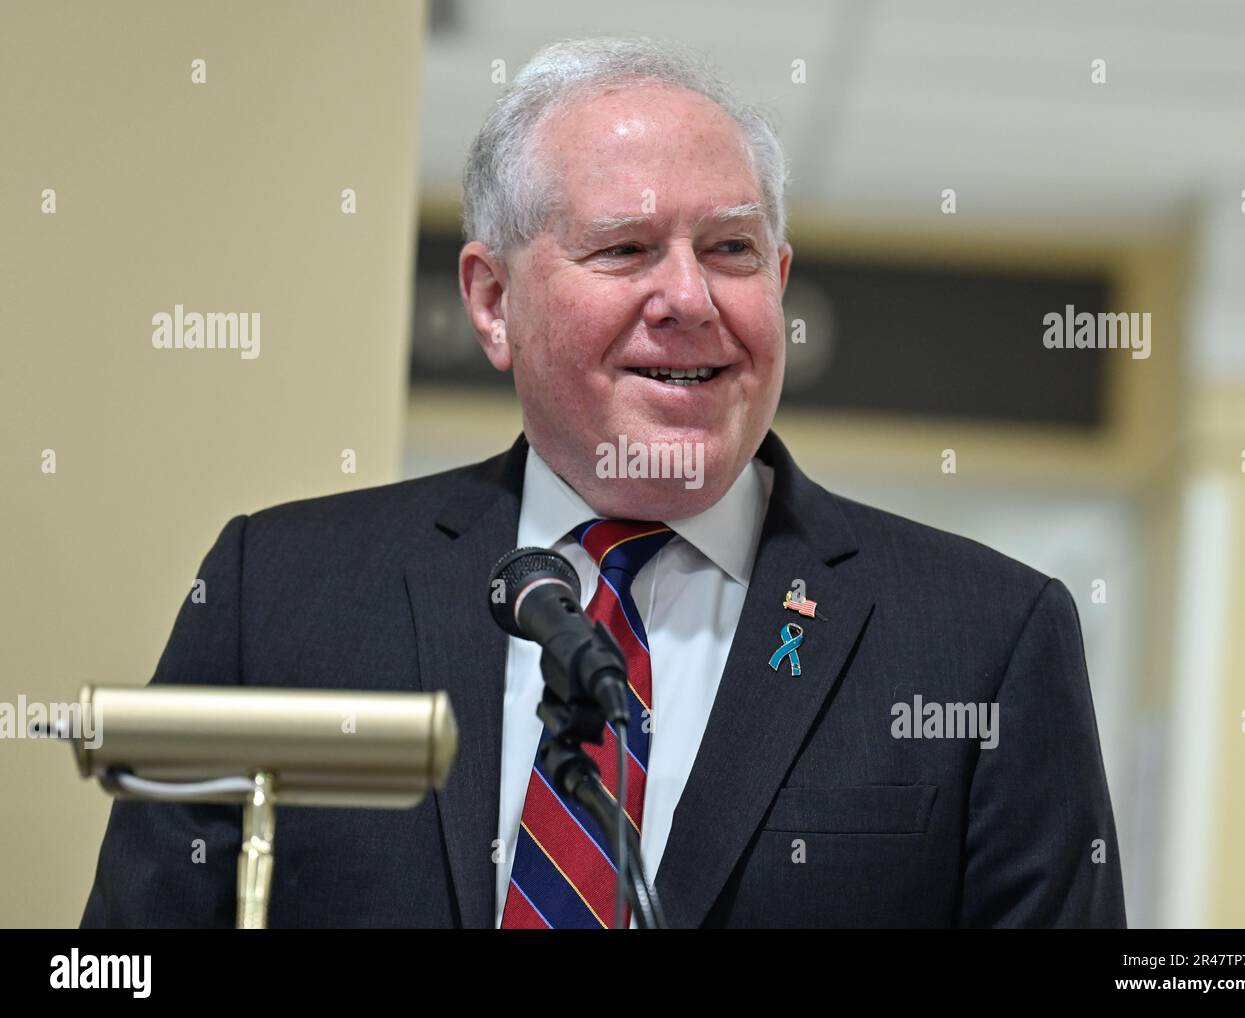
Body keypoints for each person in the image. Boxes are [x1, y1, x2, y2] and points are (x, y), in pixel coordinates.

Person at [80, 36, 1125, 928]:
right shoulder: (281, 592)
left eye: (729, 249)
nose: (688, 297)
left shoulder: (986, 638)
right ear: (493, 302)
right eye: (625, 249)